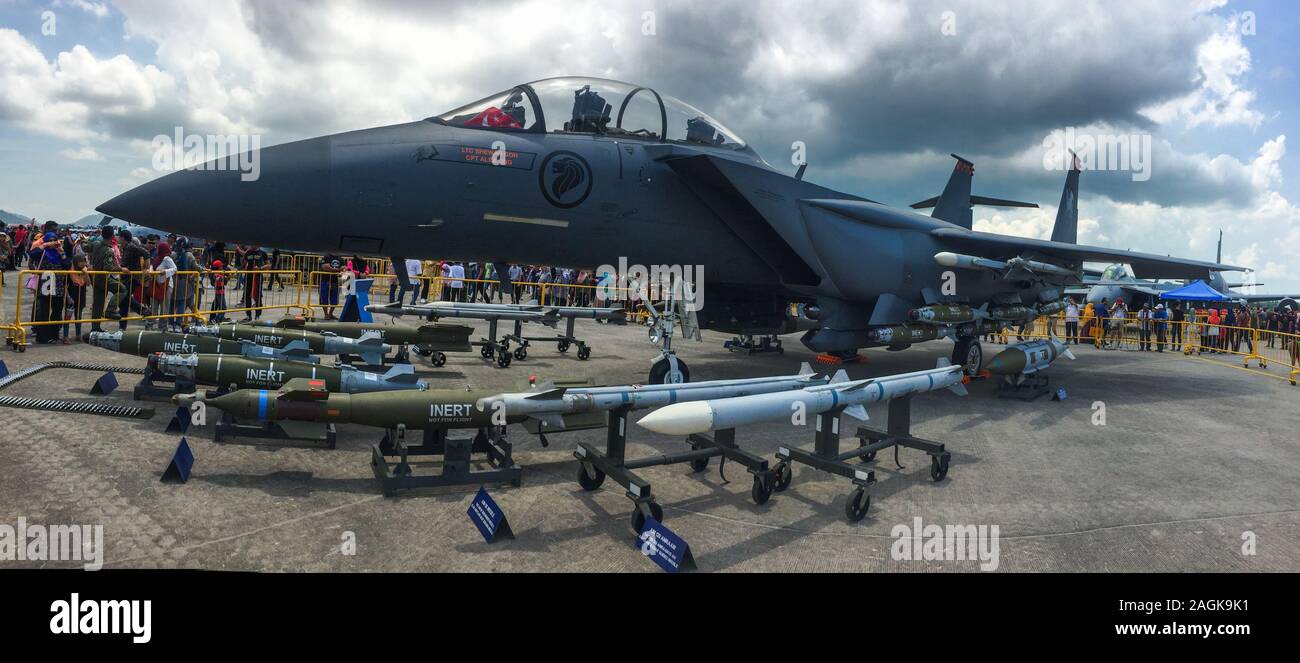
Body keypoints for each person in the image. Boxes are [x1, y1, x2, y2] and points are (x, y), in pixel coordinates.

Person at [62, 255, 90, 343]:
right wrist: (68, 297)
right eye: (81, 261)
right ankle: (65, 337)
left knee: (79, 316)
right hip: (71, 299)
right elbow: (65, 285)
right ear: (76, 262)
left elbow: (88, 283)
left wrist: (86, 273)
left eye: (84, 261)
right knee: (68, 317)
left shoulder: (84, 270)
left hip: (81, 297)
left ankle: (78, 335)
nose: (83, 263)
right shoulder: (70, 271)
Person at [241, 246, 268, 321]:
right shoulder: (248, 253)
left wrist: (260, 268)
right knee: (247, 296)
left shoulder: (262, 253)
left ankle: (258, 315)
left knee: (257, 296)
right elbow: (244, 263)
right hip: (248, 277)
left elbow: (268, 265)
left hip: (258, 277)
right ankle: (248, 315)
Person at [318, 253, 343, 319]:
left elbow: (344, 268)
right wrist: (339, 269)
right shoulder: (326, 256)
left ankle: (330, 314)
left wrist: (332, 269)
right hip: (324, 280)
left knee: (334, 300)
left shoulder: (340, 258)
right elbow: (325, 268)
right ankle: (326, 314)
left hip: (335, 281)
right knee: (324, 298)